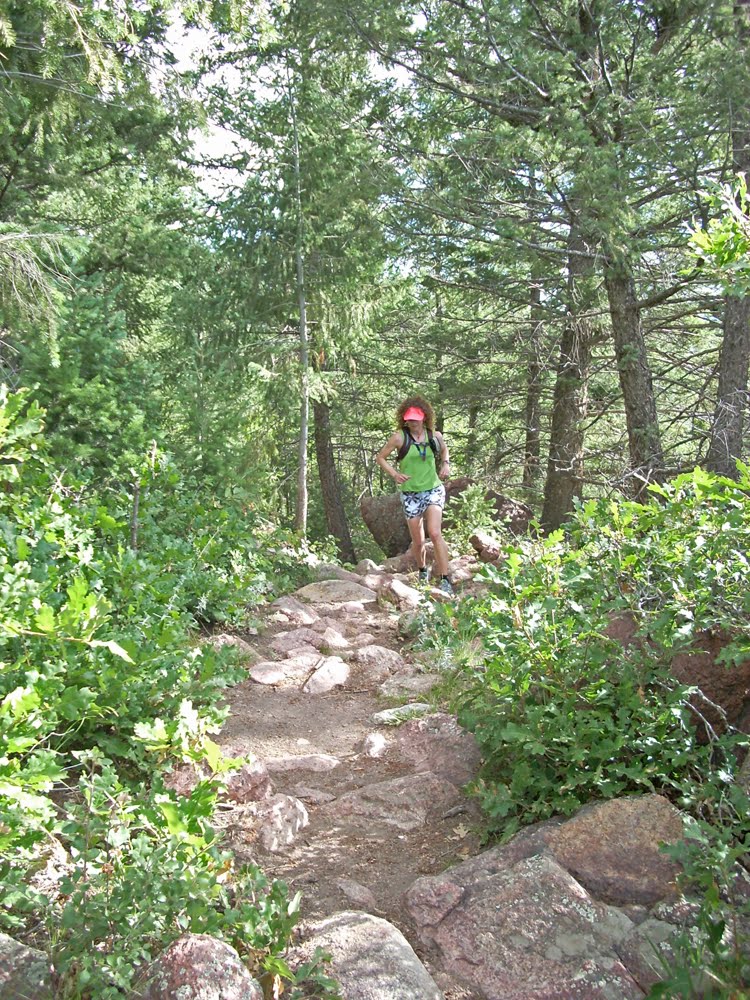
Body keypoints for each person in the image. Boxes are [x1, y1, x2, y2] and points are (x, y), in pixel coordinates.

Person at [375, 396, 454, 595]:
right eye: (409, 419)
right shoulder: (399, 437)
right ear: (404, 419)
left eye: (416, 419)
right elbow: (380, 457)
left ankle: (445, 579)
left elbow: (444, 450)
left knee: (435, 533)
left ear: (424, 418)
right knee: (418, 541)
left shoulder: (434, 435)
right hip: (411, 493)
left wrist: (446, 464)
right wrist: (395, 474)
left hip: (433, 489)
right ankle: (422, 570)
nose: (412, 423)